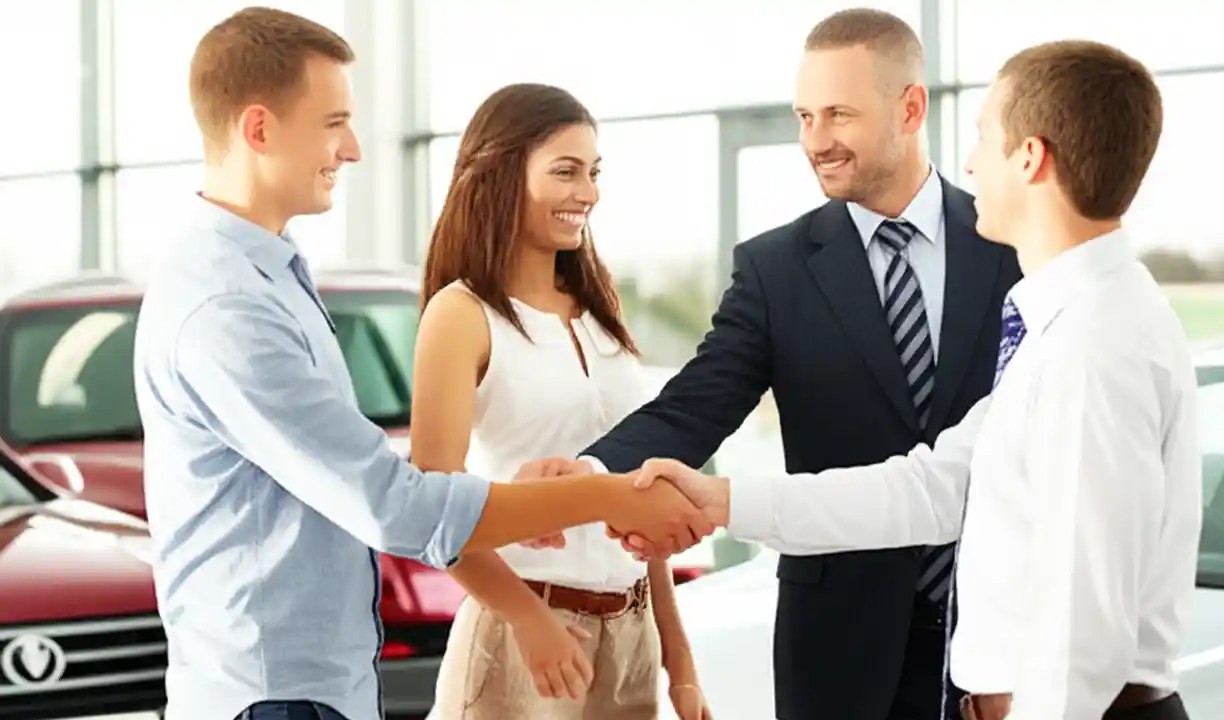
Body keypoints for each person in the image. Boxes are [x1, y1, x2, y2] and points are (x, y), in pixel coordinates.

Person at [132, 9, 710, 720]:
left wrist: (534, 495)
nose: (352, 149)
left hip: (318, 686)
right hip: (276, 697)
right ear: (259, 129)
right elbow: (397, 504)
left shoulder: (273, 277)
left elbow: (354, 470)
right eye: (334, 121)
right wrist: (601, 494)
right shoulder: (227, 308)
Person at [624, 38, 1199, 720]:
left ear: (1030, 158)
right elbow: (929, 487)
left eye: (986, 135)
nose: (969, 159)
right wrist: (719, 500)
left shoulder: (1096, 346)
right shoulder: (1068, 327)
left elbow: (1085, 633)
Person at [552, 9, 1020, 719]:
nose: (815, 142)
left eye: (837, 115)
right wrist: (586, 478)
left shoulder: (1009, 249)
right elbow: (695, 405)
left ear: (911, 107)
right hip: (837, 647)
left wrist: (1011, 645)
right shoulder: (775, 270)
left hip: (994, 639)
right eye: (805, 116)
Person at [412, 83, 710, 720]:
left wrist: (677, 661)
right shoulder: (461, 315)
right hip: (525, 635)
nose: (588, 193)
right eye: (566, 172)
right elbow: (431, 505)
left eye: (594, 173)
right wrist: (526, 619)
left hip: (630, 634)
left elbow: (635, 497)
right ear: (499, 174)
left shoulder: (600, 314)